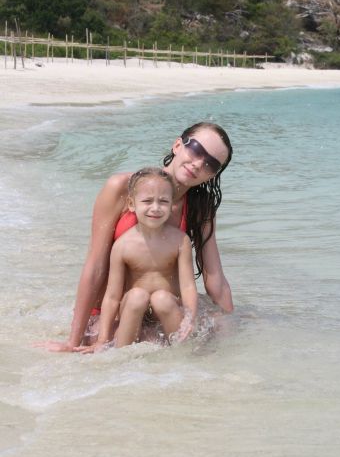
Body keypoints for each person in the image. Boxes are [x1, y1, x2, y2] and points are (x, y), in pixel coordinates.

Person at [39, 121, 233, 352]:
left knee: (213, 334)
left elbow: (215, 280)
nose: (199, 163)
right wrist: (73, 341)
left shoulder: (200, 207)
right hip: (117, 314)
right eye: (197, 150)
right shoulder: (122, 188)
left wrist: (233, 337)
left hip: (162, 312)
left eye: (211, 164)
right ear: (177, 145)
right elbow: (96, 265)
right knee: (118, 351)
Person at [76, 167, 198, 352]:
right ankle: (121, 356)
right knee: (137, 296)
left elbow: (188, 286)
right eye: (147, 201)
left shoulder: (180, 241)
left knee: (161, 298)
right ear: (132, 204)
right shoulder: (123, 245)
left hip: (165, 310)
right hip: (133, 311)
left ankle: (186, 353)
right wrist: (102, 339)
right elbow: (112, 296)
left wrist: (190, 318)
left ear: (171, 204)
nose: (155, 208)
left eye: (163, 201)